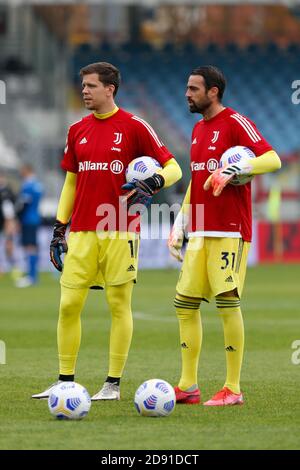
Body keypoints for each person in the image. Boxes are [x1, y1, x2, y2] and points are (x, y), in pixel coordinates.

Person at [32, 62, 182, 401]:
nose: (84, 90)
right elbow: (71, 182)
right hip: (82, 230)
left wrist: (155, 181)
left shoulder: (134, 126)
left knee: (118, 304)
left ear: (110, 89)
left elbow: (173, 167)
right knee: (68, 304)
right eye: (83, 85)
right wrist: (60, 227)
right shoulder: (77, 130)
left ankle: (112, 384)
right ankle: (64, 380)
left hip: (120, 229)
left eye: (90, 85)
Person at [168, 65, 281, 406]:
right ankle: (188, 386)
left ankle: (233, 388)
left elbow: (271, 159)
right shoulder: (197, 130)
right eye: (187, 88)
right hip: (200, 231)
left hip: (229, 230)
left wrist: (234, 169)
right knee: (184, 305)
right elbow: (196, 181)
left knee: (227, 304)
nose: (187, 94)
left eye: (193, 89)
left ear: (213, 91)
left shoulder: (235, 122)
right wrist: (180, 223)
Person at [15, 164, 44, 287]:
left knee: (29, 247)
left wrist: (18, 218)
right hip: (36, 217)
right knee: (33, 246)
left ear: (26, 170)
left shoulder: (27, 185)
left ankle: (31, 277)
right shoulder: (38, 185)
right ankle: (33, 275)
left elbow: (23, 205)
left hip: (27, 219)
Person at [0, 171, 17, 276]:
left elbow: (9, 211)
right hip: (5, 223)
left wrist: (10, 223)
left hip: (6, 224)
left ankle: (13, 268)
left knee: (8, 246)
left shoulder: (6, 192)